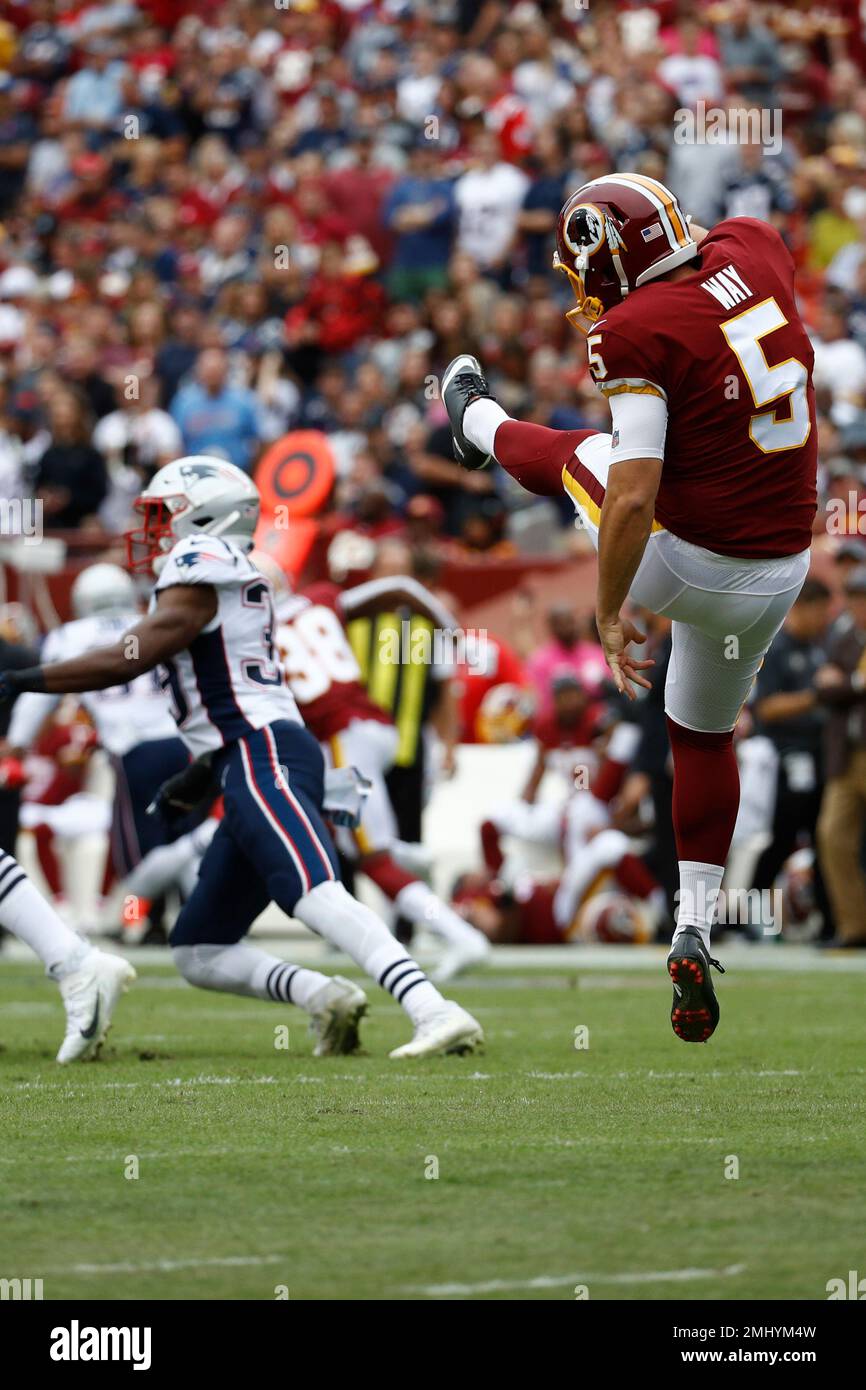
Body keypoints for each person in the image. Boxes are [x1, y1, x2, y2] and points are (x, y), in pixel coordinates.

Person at [442, 173, 817, 1042]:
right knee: (701, 735)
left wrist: (612, 612)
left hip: (689, 562)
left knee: (591, 455)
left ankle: (475, 422)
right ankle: (695, 926)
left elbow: (635, 496)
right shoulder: (754, 246)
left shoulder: (634, 328)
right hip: (782, 567)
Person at [0, 457, 482, 1059]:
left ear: (202, 516)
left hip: (263, 753)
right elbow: (221, 684)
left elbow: (133, 654)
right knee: (199, 947)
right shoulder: (227, 570)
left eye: (160, 514)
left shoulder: (201, 562)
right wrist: (203, 769)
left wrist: (24, 678)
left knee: (313, 891)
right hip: (248, 757)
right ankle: (324, 997)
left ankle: (433, 1008)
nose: (150, 529)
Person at [262, 557, 490, 982]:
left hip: (346, 740)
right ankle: (411, 856)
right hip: (378, 731)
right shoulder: (321, 599)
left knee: (373, 859)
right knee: (338, 831)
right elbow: (403, 587)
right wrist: (452, 630)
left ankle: (460, 937)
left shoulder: (257, 636)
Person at [814, 565, 866, 948]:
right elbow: (823, 686)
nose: (858, 604)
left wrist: (847, 683)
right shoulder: (844, 635)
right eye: (853, 596)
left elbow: (838, 684)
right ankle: (853, 926)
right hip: (845, 754)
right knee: (832, 836)